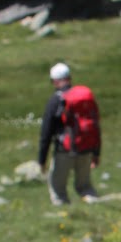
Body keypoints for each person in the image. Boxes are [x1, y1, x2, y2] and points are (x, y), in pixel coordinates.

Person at [38, 62, 100, 205]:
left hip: (64, 151)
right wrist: (96, 153)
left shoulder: (56, 100)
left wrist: (42, 160)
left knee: (58, 189)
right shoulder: (85, 97)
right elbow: (95, 124)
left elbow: (46, 133)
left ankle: (65, 216)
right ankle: (96, 206)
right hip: (86, 149)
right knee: (85, 186)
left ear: (54, 81)